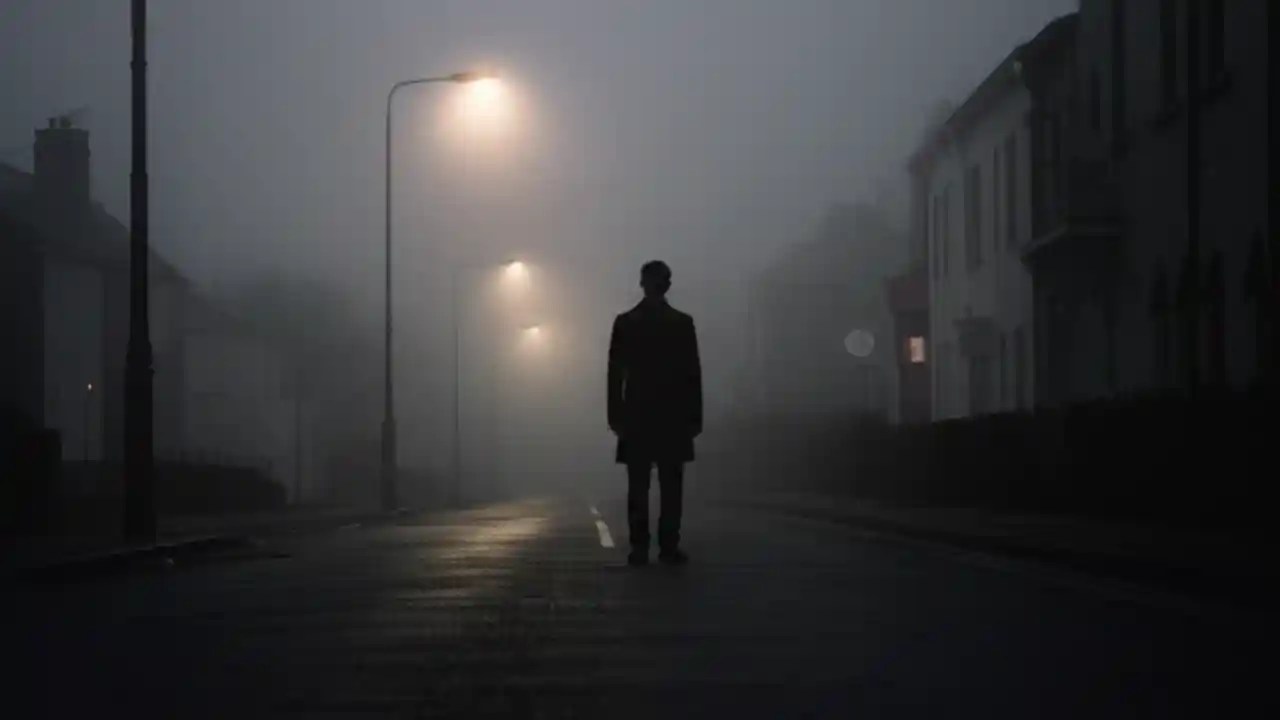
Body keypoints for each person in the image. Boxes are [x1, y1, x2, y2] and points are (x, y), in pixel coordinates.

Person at [607, 260, 702, 566]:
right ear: (668, 284)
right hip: (671, 417)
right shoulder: (682, 323)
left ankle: (641, 546)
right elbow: (692, 375)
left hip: (637, 416)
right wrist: (694, 417)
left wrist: (615, 416)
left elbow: (614, 375)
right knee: (670, 487)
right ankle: (667, 546)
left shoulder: (626, 322)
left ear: (642, 284)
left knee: (639, 486)